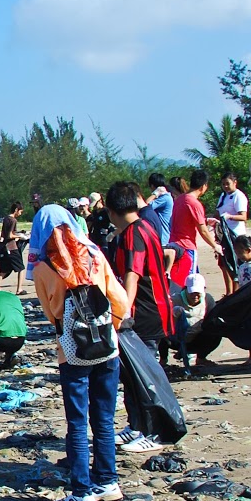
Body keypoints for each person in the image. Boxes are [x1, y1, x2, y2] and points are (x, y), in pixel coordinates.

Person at [30, 204, 129, 501]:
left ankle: (81, 491)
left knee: (76, 422)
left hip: (73, 352)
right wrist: (108, 329)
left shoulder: (46, 268)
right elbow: (120, 302)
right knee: (104, 418)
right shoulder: (95, 256)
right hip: (107, 348)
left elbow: (50, 313)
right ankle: (107, 481)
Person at [104, 180, 177, 451]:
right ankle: (137, 425)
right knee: (132, 375)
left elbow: (132, 276)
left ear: (112, 212)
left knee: (146, 375)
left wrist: (123, 312)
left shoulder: (134, 233)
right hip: (154, 307)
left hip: (146, 311)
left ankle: (155, 432)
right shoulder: (147, 225)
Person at [168, 170, 224, 289]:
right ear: (204, 186)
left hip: (173, 244)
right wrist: (215, 246)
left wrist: (206, 220)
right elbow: (202, 230)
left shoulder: (180, 199)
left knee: (176, 282)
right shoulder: (194, 203)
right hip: (186, 247)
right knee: (189, 283)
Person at [214, 173, 250, 296]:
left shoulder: (239, 196)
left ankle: (236, 292)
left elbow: (243, 216)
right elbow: (218, 213)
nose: (225, 186)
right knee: (224, 264)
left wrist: (230, 216)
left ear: (235, 182)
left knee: (235, 264)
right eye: (223, 184)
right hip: (223, 234)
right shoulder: (223, 196)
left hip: (235, 235)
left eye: (227, 184)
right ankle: (229, 292)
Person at [0, 203, 27, 293]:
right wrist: (20, 236)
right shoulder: (13, 220)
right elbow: (9, 235)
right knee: (21, 268)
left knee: (4, 271)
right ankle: (19, 289)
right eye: (20, 211)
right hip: (11, 247)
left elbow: (4, 233)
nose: (20, 214)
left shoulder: (6, 218)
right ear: (16, 210)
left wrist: (18, 233)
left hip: (4, 247)